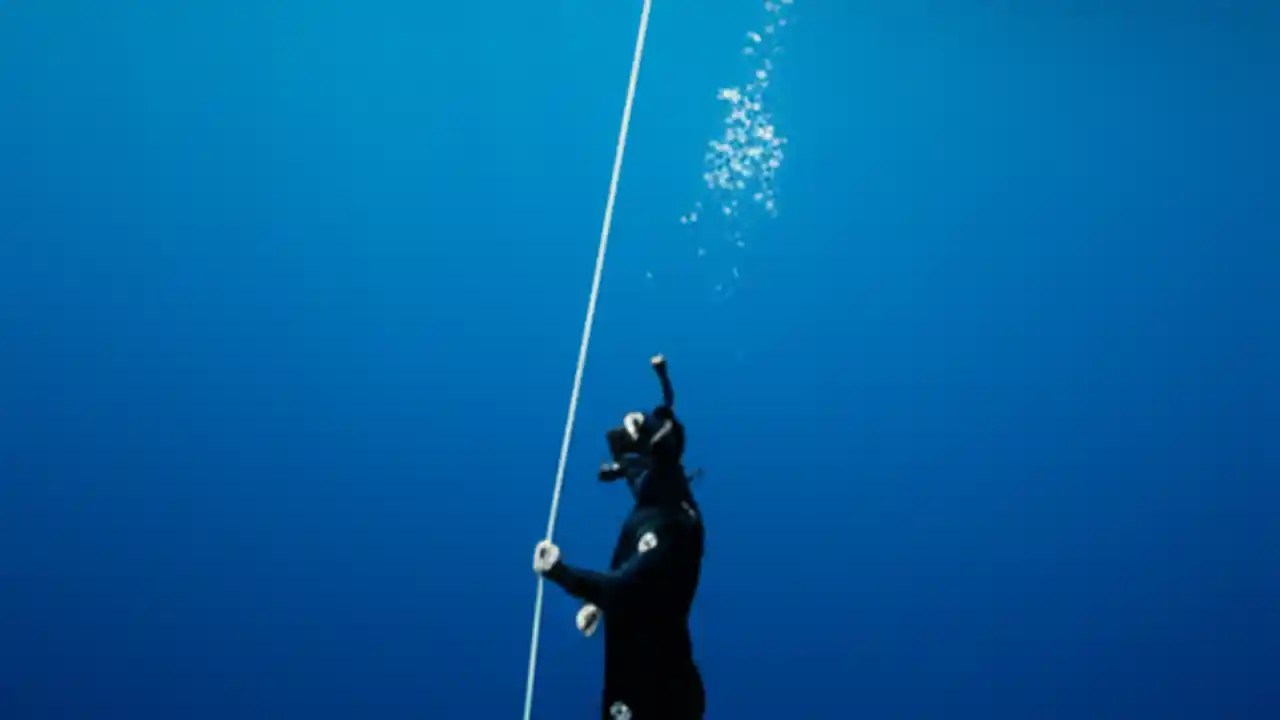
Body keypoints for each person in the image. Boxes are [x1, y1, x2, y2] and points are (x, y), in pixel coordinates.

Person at [533, 355, 706, 720]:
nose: (630, 474)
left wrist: (561, 573)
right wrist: (600, 604)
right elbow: (633, 580)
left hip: (662, 689)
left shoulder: (673, 518)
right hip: (639, 683)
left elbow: (629, 588)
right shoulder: (653, 516)